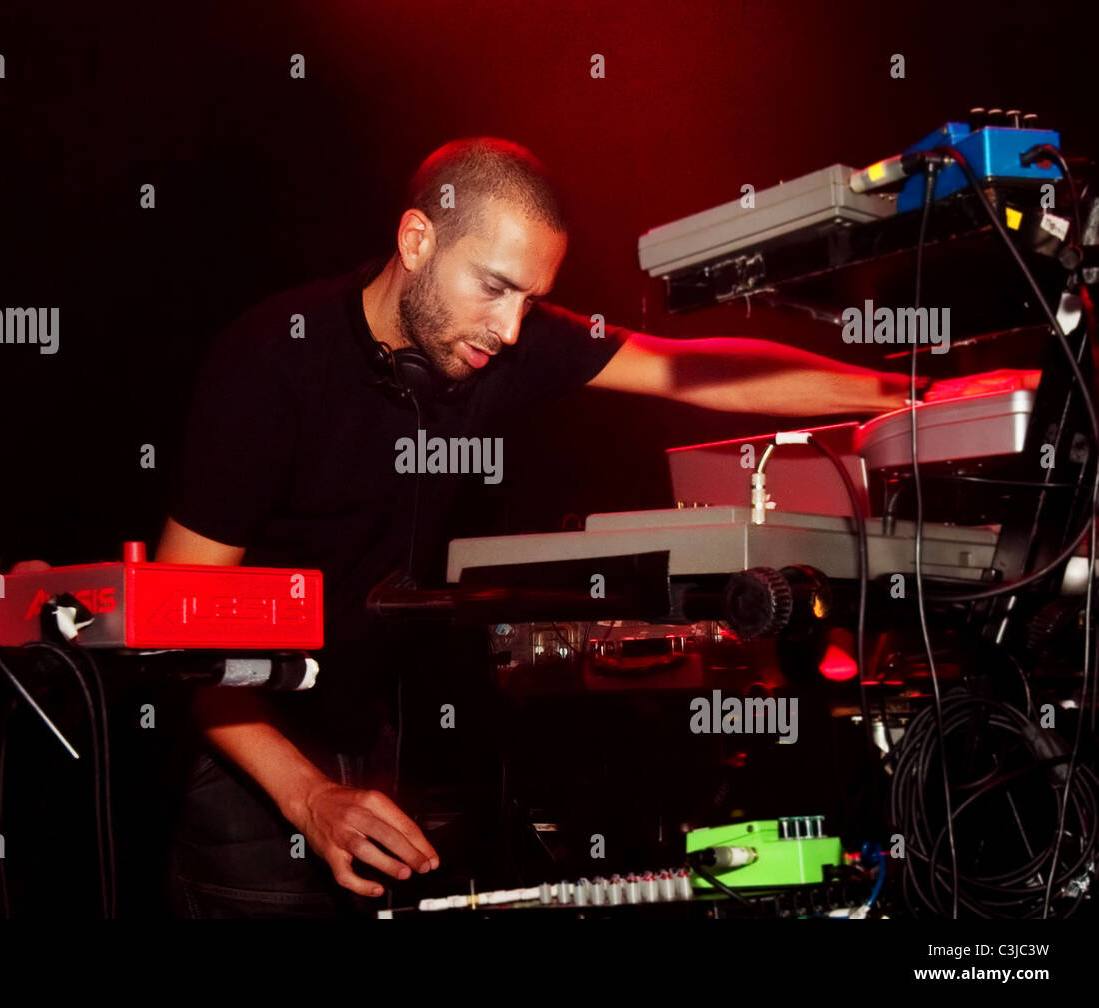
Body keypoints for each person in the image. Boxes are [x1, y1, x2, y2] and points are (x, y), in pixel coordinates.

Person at [158, 137, 911, 918]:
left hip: (364, 737)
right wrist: (307, 797)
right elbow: (175, 634)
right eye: (494, 288)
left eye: (529, 299)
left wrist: (908, 393)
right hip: (248, 756)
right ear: (417, 240)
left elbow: (689, 370)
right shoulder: (271, 363)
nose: (511, 331)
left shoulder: (491, 342)